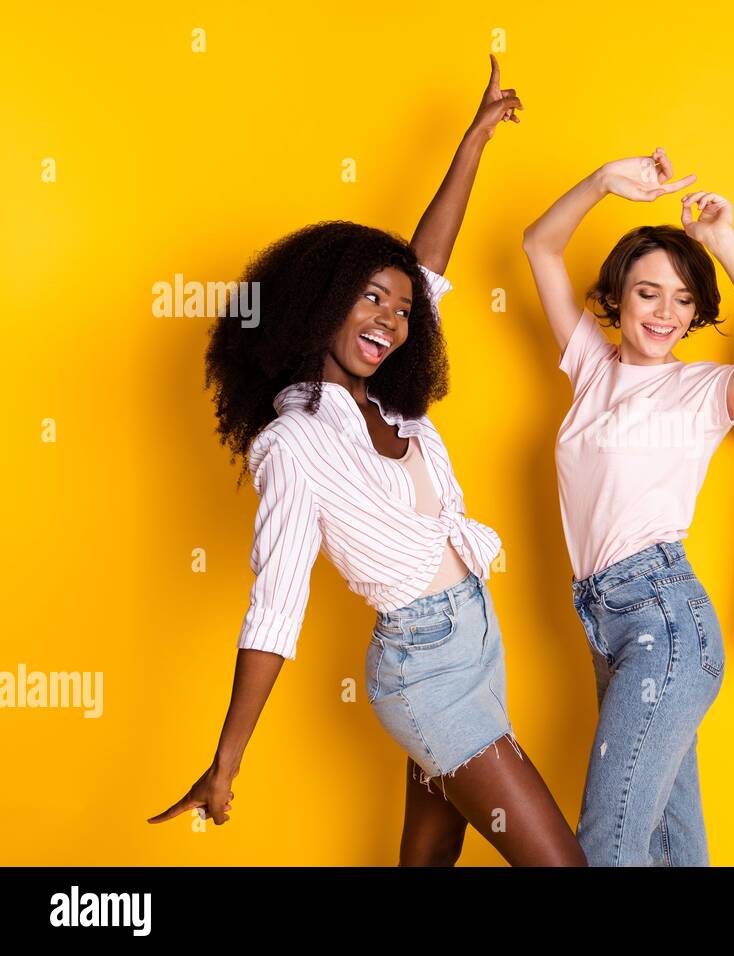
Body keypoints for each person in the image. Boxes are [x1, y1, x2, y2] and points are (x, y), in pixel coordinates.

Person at [148, 57, 586, 867]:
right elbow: (274, 604)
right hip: (422, 667)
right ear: (321, 303)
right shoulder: (294, 444)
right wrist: (227, 761)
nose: (391, 317)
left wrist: (473, 143)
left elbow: (427, 263)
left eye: (402, 307)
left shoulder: (387, 405)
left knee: (425, 862)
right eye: (370, 298)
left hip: (475, 643)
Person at [522, 148, 734, 864]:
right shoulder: (591, 366)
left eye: (683, 300)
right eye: (649, 292)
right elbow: (539, 244)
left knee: (609, 842)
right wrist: (600, 184)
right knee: (673, 850)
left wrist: (724, 242)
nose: (665, 312)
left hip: (665, 620)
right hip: (603, 621)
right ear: (618, 295)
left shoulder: (702, 392)